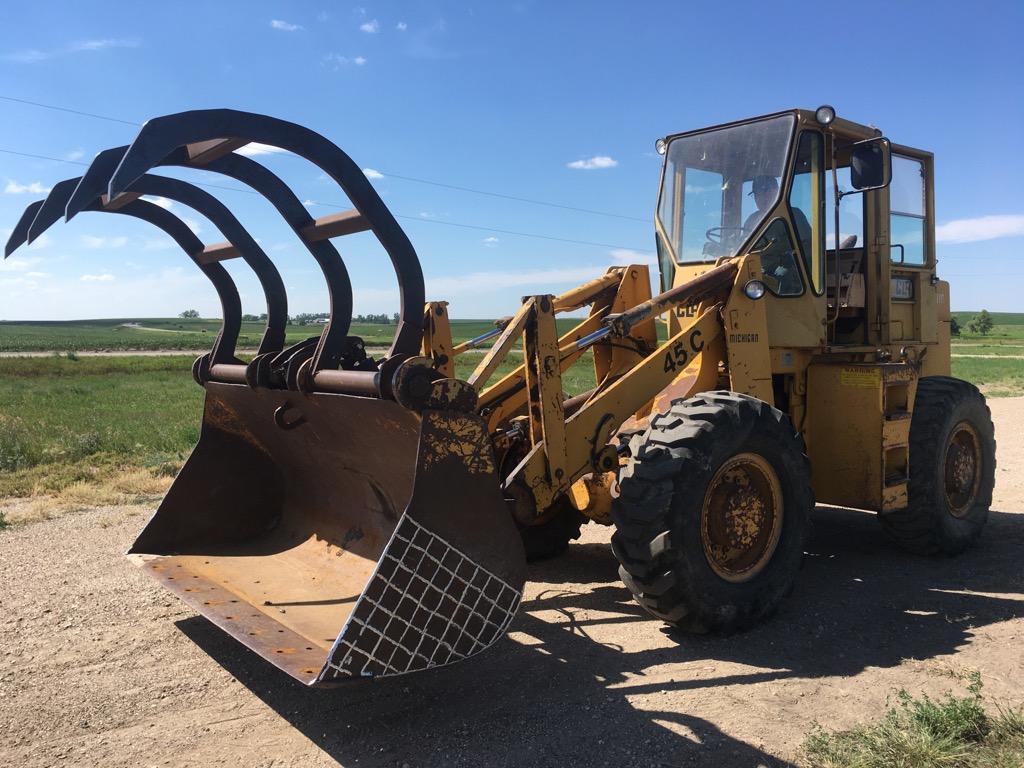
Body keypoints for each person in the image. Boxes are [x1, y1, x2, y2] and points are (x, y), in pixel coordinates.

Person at [744, 175, 812, 294]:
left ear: (776, 191)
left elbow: (807, 245)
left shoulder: (793, 214)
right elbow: (743, 246)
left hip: (788, 272)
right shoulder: (752, 220)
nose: (760, 198)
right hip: (757, 273)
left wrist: (790, 260)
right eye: (756, 194)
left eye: (765, 192)